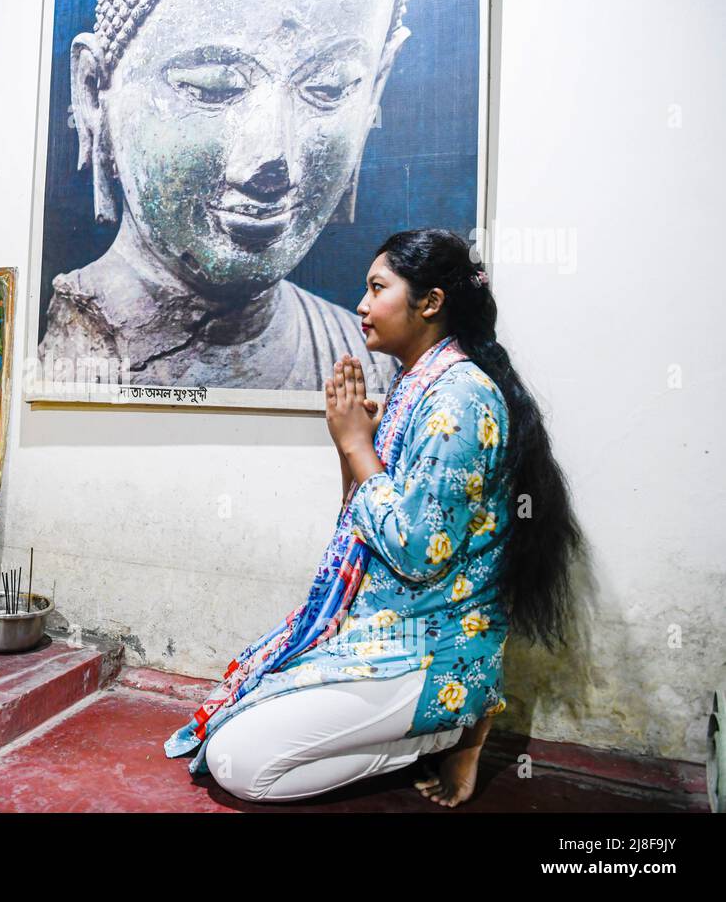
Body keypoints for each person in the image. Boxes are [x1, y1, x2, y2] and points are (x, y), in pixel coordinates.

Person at [165, 228, 580, 807]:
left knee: (239, 762)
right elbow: (358, 522)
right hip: (377, 631)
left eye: (378, 287)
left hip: (430, 650)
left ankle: (447, 731)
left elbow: (417, 551)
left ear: (430, 302)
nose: (361, 304)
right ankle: (420, 731)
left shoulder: (459, 397)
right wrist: (351, 446)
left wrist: (359, 446)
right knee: (242, 703)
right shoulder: (417, 386)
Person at [38, 0, 418, 392]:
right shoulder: (73, 357)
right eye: (214, 88)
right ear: (93, 92)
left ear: (376, 87)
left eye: (328, 88)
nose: (274, 158)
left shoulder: (363, 366)